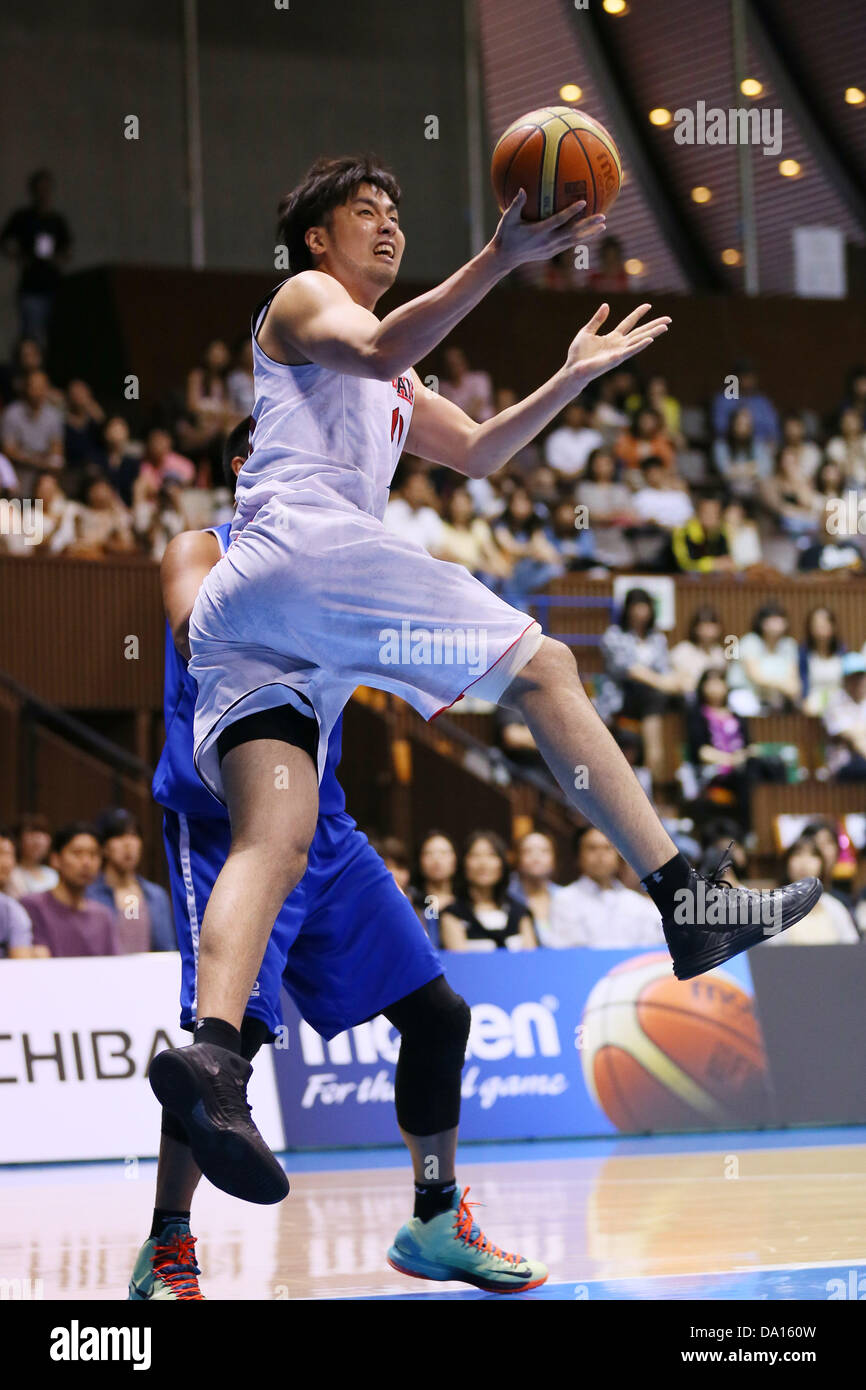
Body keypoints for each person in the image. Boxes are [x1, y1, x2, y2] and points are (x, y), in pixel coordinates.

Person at [153, 153, 819, 1210]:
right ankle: (683, 894)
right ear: (316, 239)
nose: (383, 225)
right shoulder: (302, 299)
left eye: (392, 212)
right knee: (546, 666)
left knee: (272, 837)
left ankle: (216, 1059)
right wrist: (501, 257)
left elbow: (476, 454)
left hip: (267, 635)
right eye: (361, 212)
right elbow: (376, 341)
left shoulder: (391, 378)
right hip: (306, 560)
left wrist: (569, 378)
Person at [136, 420, 545, 1296]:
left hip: (326, 831)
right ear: (247, 465)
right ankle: (169, 1246)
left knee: (440, 1017)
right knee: (221, 1052)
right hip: (227, 830)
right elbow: (189, 637)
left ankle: (435, 1222)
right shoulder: (198, 549)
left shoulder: (343, 559)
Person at [547, 826, 664, 948]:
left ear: (618, 856)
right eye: (592, 848)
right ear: (578, 857)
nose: (600, 855)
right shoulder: (564, 900)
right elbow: (566, 951)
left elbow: (652, 947)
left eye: (608, 848)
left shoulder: (637, 903)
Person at [19, 824, 121, 957]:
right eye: (77, 853)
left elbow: (114, 966)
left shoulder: (103, 916)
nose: (86, 862)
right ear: (56, 859)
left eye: (93, 854)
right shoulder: (33, 906)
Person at [85, 810, 174, 953]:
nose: (128, 844)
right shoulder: (89, 895)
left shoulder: (156, 895)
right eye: (119, 836)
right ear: (104, 847)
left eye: (133, 835)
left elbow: (167, 948)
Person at [0, 170, 72, 346]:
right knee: (31, 337)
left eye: (46, 189)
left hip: (53, 286)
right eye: (40, 189)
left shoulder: (56, 220)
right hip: (31, 287)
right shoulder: (23, 218)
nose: (43, 193)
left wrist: (56, 259)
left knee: (55, 336)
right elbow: (4, 241)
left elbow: (67, 250)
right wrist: (19, 257)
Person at [439, 832, 537, 951]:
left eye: (491, 855)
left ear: (502, 863)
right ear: (464, 863)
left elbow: (531, 961)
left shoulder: (520, 912)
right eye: (475, 855)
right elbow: (461, 963)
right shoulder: (452, 914)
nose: (483, 863)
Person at [768, 840, 860, 945]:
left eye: (812, 855)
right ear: (787, 863)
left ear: (822, 865)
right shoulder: (772, 907)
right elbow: (769, 949)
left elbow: (852, 945)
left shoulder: (835, 906)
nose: (804, 862)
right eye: (798, 854)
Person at [728, 603, 801, 714]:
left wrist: (792, 689)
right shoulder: (750, 641)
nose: (776, 624)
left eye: (779, 620)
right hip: (747, 694)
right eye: (772, 620)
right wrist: (783, 685)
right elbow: (755, 676)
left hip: (776, 698)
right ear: (761, 623)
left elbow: (793, 680)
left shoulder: (789, 644)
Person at [1, 369, 64, 495]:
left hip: (44, 471)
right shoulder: (12, 413)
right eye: (33, 387)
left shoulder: (53, 416)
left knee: (51, 481)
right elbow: (9, 451)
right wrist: (38, 461)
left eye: (41, 387)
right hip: (19, 469)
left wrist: (51, 462)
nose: (37, 392)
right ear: (26, 388)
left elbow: (57, 449)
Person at [508, 831, 562, 946]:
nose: (536, 857)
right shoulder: (506, 895)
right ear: (517, 857)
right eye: (528, 851)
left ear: (554, 858)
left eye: (544, 851)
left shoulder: (564, 896)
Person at [711, 362, 779, 445]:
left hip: (760, 446)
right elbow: (719, 427)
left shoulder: (762, 402)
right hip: (730, 446)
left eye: (751, 377)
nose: (749, 380)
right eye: (745, 376)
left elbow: (773, 428)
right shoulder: (724, 399)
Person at [712, 406, 774, 497]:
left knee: (768, 484)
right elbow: (725, 471)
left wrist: (736, 468)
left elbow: (766, 469)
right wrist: (753, 467)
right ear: (732, 424)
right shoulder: (721, 445)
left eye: (747, 425)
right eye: (740, 424)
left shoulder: (757, 444)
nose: (743, 429)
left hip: (756, 487)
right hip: (731, 489)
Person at [382, 460, 444, 551]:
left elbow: (438, 547)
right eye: (416, 489)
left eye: (422, 489)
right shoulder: (392, 509)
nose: (419, 493)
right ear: (406, 490)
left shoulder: (429, 515)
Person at [823, 652, 866, 781]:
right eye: (853, 677)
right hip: (842, 767)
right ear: (844, 680)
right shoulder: (835, 703)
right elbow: (851, 737)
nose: (858, 681)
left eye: (861, 676)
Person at [411, 830, 457, 946]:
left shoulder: (467, 902)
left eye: (443, 853)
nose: (436, 860)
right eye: (429, 853)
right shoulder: (411, 903)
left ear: (455, 859)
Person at [671, 491, 733, 573]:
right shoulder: (682, 532)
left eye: (715, 513)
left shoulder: (720, 533)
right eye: (707, 513)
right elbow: (684, 565)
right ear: (697, 513)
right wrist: (712, 564)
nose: (711, 517)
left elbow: (726, 560)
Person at [669, 607, 727, 694]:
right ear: (695, 628)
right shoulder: (683, 650)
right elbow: (679, 679)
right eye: (705, 625)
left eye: (712, 625)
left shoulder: (719, 652)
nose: (709, 630)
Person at [799, 606, 845, 717]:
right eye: (817, 624)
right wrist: (803, 700)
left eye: (825, 623)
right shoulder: (804, 652)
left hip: (840, 700)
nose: (821, 628)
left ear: (833, 626)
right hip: (813, 701)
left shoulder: (842, 650)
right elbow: (802, 680)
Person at [543, 401, 603, 478]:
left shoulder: (594, 436)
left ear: (583, 415)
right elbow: (552, 464)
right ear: (566, 415)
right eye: (573, 413)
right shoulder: (555, 437)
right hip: (561, 479)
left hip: (589, 477)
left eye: (579, 413)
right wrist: (569, 477)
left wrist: (582, 473)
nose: (576, 416)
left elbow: (599, 460)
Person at [8, 813, 58, 896]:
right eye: (32, 834)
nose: (38, 840)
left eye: (43, 833)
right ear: (19, 840)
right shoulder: (12, 874)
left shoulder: (52, 874)